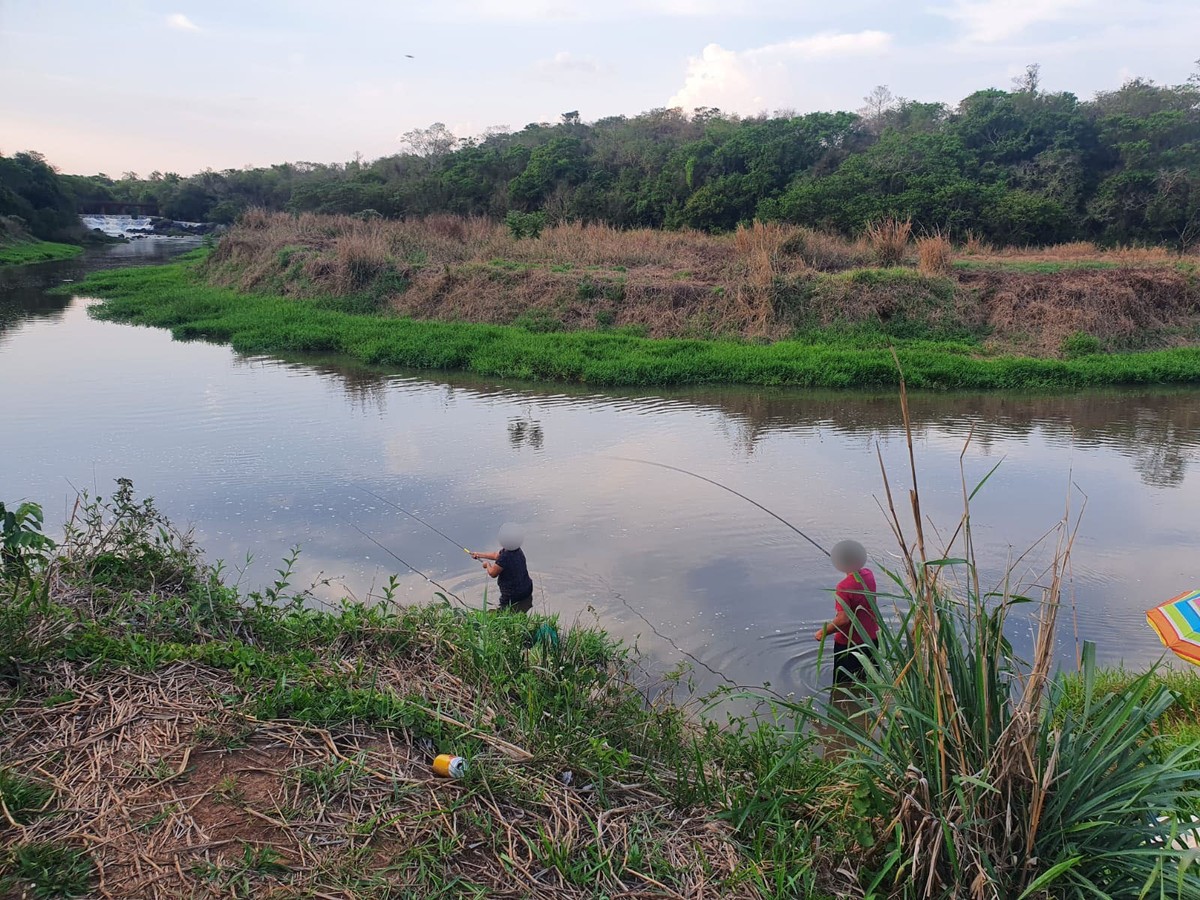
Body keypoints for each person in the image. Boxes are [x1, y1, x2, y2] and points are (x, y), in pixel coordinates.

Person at [814, 540, 879, 684]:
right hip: (871, 640)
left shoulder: (843, 587)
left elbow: (843, 620)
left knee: (842, 684)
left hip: (849, 645)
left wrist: (822, 633)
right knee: (868, 683)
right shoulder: (869, 574)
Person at [470, 523, 534, 613]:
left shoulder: (504, 557)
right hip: (527, 588)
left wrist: (487, 565)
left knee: (504, 612)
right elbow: (495, 555)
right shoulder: (517, 550)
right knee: (523, 609)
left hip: (511, 595)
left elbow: (493, 573)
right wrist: (479, 554)